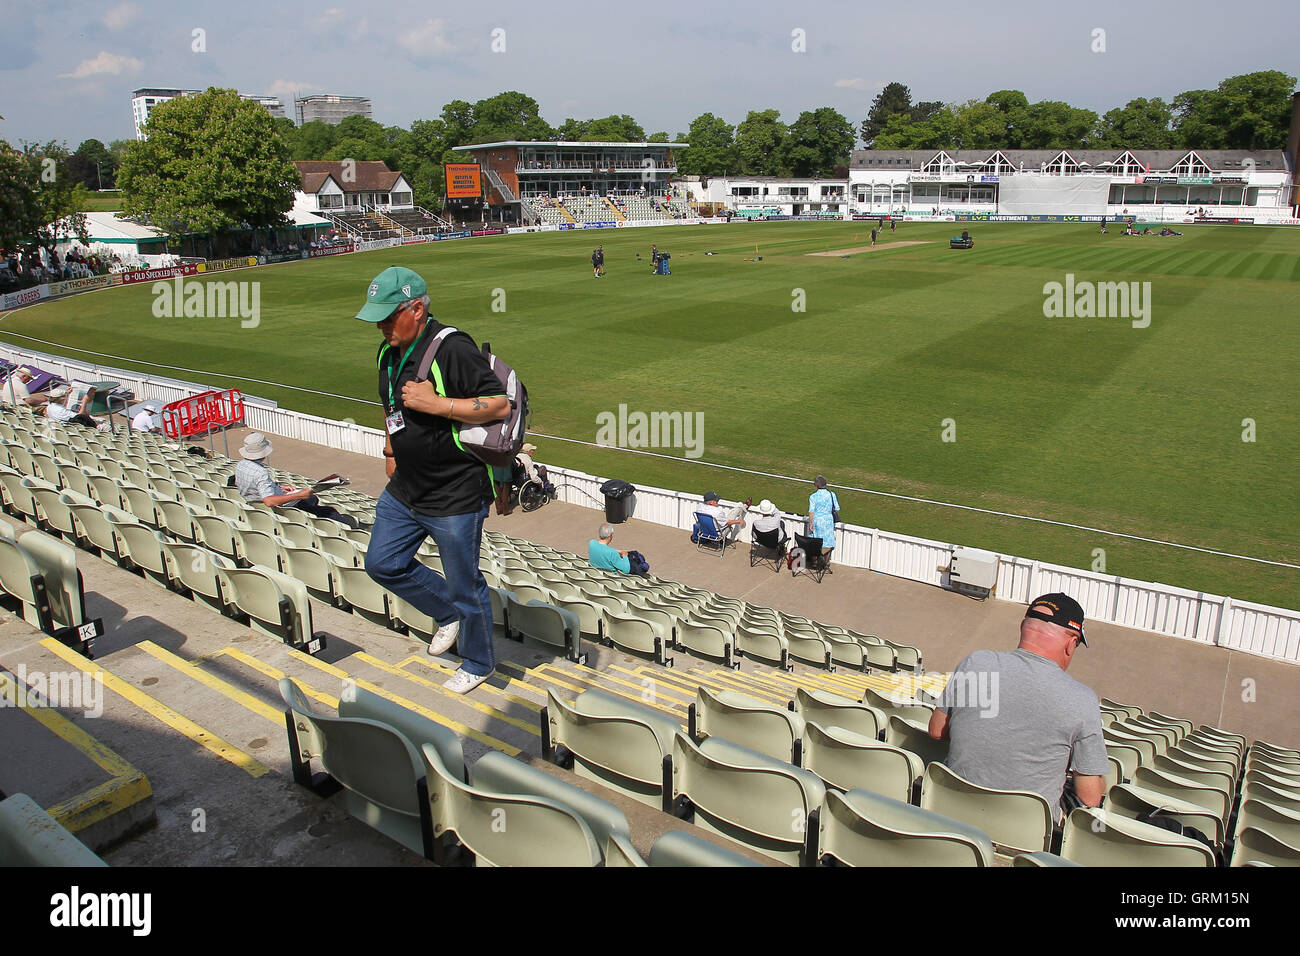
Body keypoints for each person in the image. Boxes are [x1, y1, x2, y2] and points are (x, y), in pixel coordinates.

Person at [357, 266, 509, 696]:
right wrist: (390, 451)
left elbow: (498, 405)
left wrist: (438, 404)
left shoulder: (452, 348)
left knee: (466, 586)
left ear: (417, 309)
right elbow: (390, 407)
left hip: (454, 494)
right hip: (406, 487)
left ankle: (479, 661)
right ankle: (448, 614)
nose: (382, 326)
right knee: (383, 564)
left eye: (388, 317)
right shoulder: (388, 354)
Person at [927, 592, 1109, 822]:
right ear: (1072, 643)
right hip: (1024, 836)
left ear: (1024, 627)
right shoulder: (1083, 699)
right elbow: (1091, 796)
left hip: (950, 813)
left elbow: (936, 730)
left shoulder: (976, 662)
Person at [234, 433, 357, 527]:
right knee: (329, 511)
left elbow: (252, 486)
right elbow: (268, 501)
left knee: (312, 498)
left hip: (256, 505)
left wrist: (279, 487)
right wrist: (298, 495)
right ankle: (348, 532)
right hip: (278, 508)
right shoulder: (260, 472)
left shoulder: (241, 465)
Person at [806, 475, 839, 560]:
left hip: (817, 521)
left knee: (815, 542)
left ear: (816, 485)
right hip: (828, 521)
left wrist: (811, 523)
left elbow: (811, 512)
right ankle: (825, 563)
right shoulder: (832, 494)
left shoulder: (813, 496)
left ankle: (815, 563)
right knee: (828, 544)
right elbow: (837, 509)